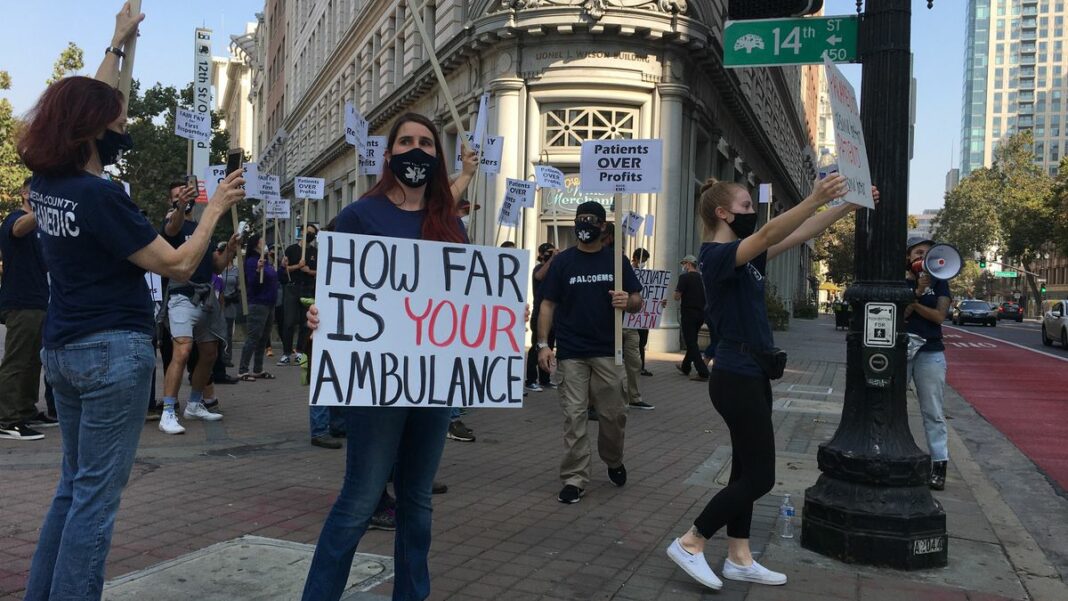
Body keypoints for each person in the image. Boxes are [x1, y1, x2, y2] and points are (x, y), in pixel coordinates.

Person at [16, 5, 246, 596]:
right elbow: (177, 263)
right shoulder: (99, 198)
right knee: (95, 501)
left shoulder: (47, 187)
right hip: (111, 354)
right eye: (116, 119)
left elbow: (87, 101)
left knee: (73, 488)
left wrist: (119, 43)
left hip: (64, 352)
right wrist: (213, 208)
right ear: (93, 129)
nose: (125, 123)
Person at [664, 174, 871, 591]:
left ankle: (739, 557)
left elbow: (795, 234)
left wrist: (846, 207)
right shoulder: (717, 254)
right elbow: (773, 230)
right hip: (735, 377)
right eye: (745, 207)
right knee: (761, 477)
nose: (752, 214)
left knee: (745, 469)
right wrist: (815, 196)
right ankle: (692, 541)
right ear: (722, 213)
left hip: (751, 374)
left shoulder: (743, 256)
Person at [301, 113, 468, 601]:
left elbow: (459, 299)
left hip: (433, 381)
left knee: (417, 502)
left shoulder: (450, 223)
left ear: (437, 156)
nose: (416, 150)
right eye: (406, 141)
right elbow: (338, 293)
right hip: (376, 383)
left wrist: (496, 314)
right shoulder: (360, 215)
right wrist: (321, 317)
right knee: (359, 499)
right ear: (389, 154)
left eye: (426, 143)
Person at [537, 201, 643, 504]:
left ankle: (613, 458)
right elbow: (547, 305)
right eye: (580, 219)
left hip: (608, 350)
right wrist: (543, 344)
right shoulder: (563, 262)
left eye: (591, 220)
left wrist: (628, 301)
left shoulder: (617, 261)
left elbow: (637, 300)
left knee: (613, 415)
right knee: (574, 416)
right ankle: (574, 477)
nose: (584, 224)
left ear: (602, 227)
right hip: (571, 352)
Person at [158, 178, 238, 434]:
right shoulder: (172, 222)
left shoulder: (203, 227)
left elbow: (216, 265)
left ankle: (194, 404)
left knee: (210, 354)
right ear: (171, 201)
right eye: (178, 195)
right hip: (183, 295)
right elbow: (172, 227)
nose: (184, 197)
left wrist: (231, 251)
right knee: (182, 351)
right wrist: (179, 208)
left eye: (186, 194)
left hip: (206, 299)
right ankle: (168, 411)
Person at [0, 177, 54, 441]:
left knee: (33, 361)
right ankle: (6, 419)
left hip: (39, 301)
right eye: (38, 192)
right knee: (16, 360)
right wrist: (43, 204)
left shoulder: (42, 226)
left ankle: (25, 410)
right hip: (21, 302)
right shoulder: (14, 219)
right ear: (24, 193)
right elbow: (18, 229)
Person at [904, 236, 952, 491]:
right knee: (893, 405)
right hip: (902, 350)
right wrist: (917, 292)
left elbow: (939, 316)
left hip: (931, 351)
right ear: (909, 257)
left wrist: (914, 303)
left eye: (928, 253)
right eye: (918, 252)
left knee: (933, 411)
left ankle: (939, 465)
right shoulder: (901, 281)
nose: (923, 257)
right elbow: (899, 315)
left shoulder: (941, 280)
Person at [239, 232, 279, 380]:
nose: (265, 242)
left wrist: (281, 268)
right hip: (258, 303)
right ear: (257, 243)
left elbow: (274, 279)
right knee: (253, 337)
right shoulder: (251, 261)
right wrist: (257, 270)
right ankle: (243, 369)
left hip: (269, 303)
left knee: (263, 338)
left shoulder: (266, 261)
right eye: (263, 240)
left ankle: (258, 368)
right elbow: (253, 284)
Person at [280, 224, 317, 365]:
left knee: (304, 323)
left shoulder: (315, 252)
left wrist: (308, 271)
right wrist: (298, 266)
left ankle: (300, 352)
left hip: (307, 288)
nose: (310, 235)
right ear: (301, 232)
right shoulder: (291, 250)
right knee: (289, 322)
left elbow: (320, 272)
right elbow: (284, 269)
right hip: (292, 288)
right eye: (308, 232)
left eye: (312, 233)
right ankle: (286, 353)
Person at [525, 243, 557, 392]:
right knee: (536, 347)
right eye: (548, 253)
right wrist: (552, 259)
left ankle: (545, 379)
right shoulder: (538, 268)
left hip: (552, 316)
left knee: (548, 346)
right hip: (539, 314)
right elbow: (539, 276)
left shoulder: (554, 270)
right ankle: (531, 380)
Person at [674, 254, 710, 382]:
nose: (683, 266)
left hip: (688, 314)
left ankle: (703, 371)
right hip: (700, 314)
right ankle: (685, 367)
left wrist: (675, 294)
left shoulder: (684, 277)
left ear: (688, 264)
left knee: (691, 343)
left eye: (684, 264)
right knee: (692, 340)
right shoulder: (702, 278)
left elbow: (677, 296)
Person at [631, 248, 654, 376]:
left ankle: (641, 367)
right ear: (635, 258)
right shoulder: (628, 271)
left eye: (645, 261)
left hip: (643, 314)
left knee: (642, 342)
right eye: (643, 260)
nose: (644, 263)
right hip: (632, 313)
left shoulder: (646, 275)